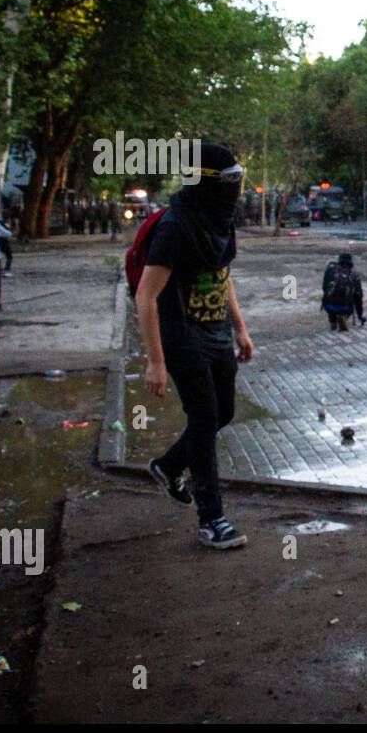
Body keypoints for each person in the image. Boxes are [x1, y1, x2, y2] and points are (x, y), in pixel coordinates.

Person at [135, 143, 253, 550]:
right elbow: (145, 296)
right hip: (182, 335)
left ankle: (168, 466)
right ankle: (211, 519)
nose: (237, 188)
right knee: (204, 420)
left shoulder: (219, 219)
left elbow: (223, 275)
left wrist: (240, 327)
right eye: (232, 180)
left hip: (217, 332)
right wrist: (155, 360)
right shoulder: (175, 226)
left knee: (224, 413)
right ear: (206, 182)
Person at [321, 251, 365, 331]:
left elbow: (324, 288)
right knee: (351, 300)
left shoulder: (330, 270)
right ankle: (343, 317)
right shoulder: (353, 275)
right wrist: (360, 315)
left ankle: (333, 322)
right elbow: (359, 296)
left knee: (329, 298)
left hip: (329, 306)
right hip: (346, 307)